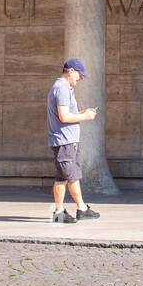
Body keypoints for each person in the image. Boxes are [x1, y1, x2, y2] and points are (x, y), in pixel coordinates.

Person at [47, 57, 101, 224]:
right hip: (64, 141)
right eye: (79, 74)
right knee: (63, 177)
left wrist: (81, 113)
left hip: (69, 141)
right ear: (70, 71)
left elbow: (67, 114)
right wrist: (84, 116)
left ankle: (81, 208)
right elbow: (63, 116)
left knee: (73, 176)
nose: (81, 78)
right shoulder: (61, 88)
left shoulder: (65, 88)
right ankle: (58, 212)